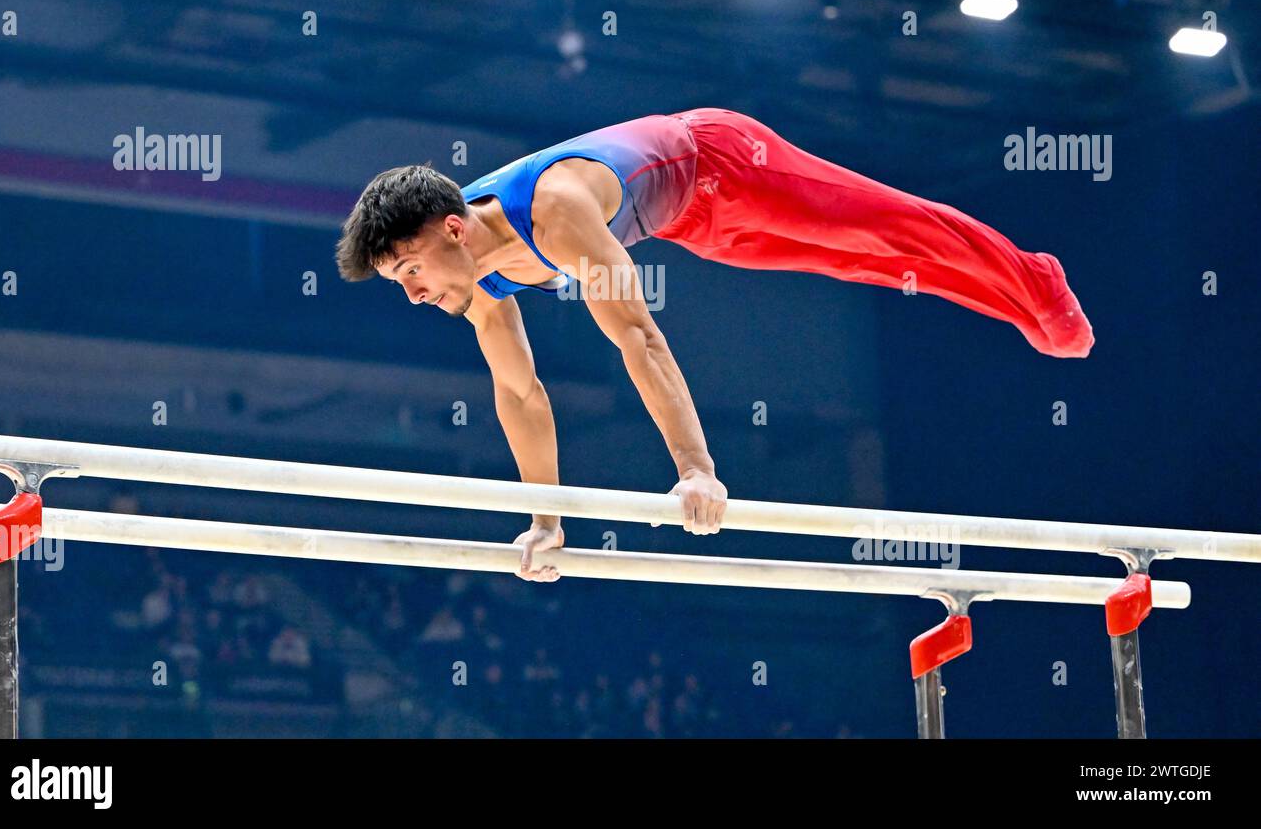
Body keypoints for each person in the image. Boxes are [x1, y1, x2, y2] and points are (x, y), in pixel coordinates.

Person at [335, 108, 1094, 581]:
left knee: (886, 228)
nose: (412, 292)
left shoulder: (558, 209)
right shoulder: (482, 286)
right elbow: (520, 392)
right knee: (866, 263)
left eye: (410, 269)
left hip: (727, 162)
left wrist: (697, 471)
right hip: (694, 224)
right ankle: (1018, 304)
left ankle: (1037, 281)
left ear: (454, 229)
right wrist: (546, 519)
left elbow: (639, 338)